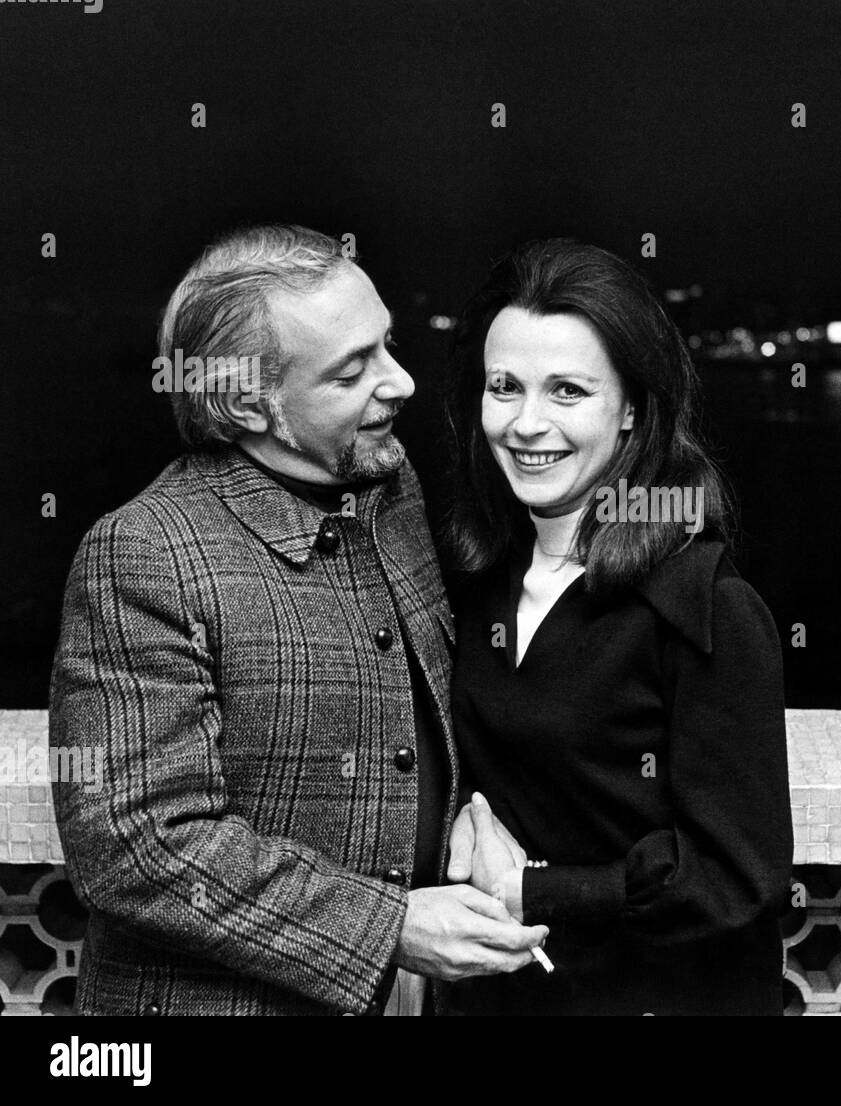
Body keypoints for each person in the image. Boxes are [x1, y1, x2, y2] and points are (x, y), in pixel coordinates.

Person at [49, 224, 546, 1016]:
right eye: (354, 371)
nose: (403, 382)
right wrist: (387, 930)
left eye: (388, 344)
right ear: (249, 400)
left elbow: (421, 708)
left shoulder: (392, 490)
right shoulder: (141, 551)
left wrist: (472, 805)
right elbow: (135, 845)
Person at [441, 238, 793, 1015]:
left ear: (632, 406)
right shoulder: (476, 580)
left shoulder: (703, 605)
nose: (527, 424)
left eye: (567, 391)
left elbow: (738, 878)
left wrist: (534, 890)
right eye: (505, 387)